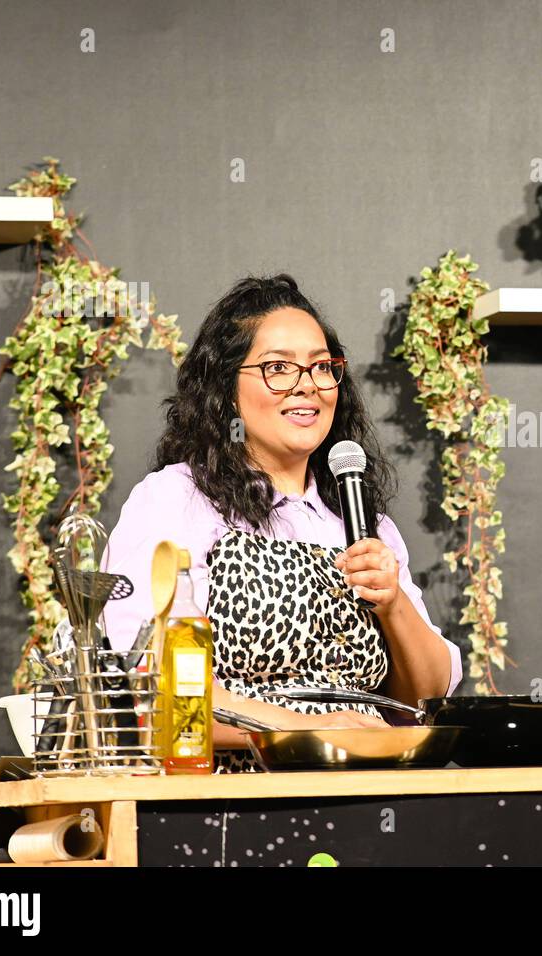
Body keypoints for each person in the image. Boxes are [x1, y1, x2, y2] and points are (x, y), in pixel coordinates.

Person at [101, 274, 461, 771]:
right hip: (239, 793)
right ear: (226, 390)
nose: (306, 386)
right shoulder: (177, 498)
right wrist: (301, 728)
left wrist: (393, 602)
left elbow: (426, 695)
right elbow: (150, 685)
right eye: (277, 368)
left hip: (369, 786)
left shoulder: (360, 519)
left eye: (320, 367)